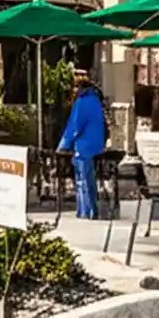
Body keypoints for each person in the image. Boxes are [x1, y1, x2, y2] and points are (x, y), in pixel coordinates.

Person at [57, 69, 106, 219]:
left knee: (82, 179)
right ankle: (87, 210)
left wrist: (63, 145)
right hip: (95, 144)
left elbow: (75, 126)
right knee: (88, 178)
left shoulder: (82, 102)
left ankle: (87, 210)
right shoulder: (95, 100)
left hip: (84, 146)